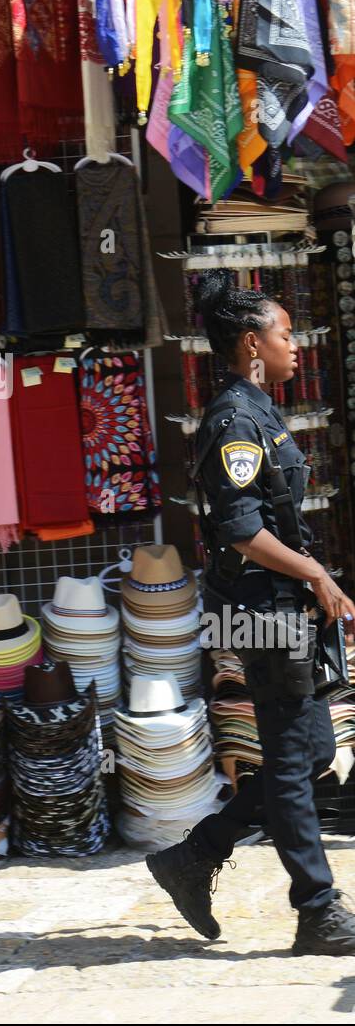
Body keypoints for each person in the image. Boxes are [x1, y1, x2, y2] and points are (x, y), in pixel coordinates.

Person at [146, 268, 355, 956]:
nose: (294, 346)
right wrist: (316, 573)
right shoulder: (234, 419)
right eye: (284, 334)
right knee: (296, 758)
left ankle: (196, 854)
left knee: (315, 751)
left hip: (279, 607)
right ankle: (318, 910)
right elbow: (240, 529)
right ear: (248, 342)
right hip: (260, 610)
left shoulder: (258, 411)